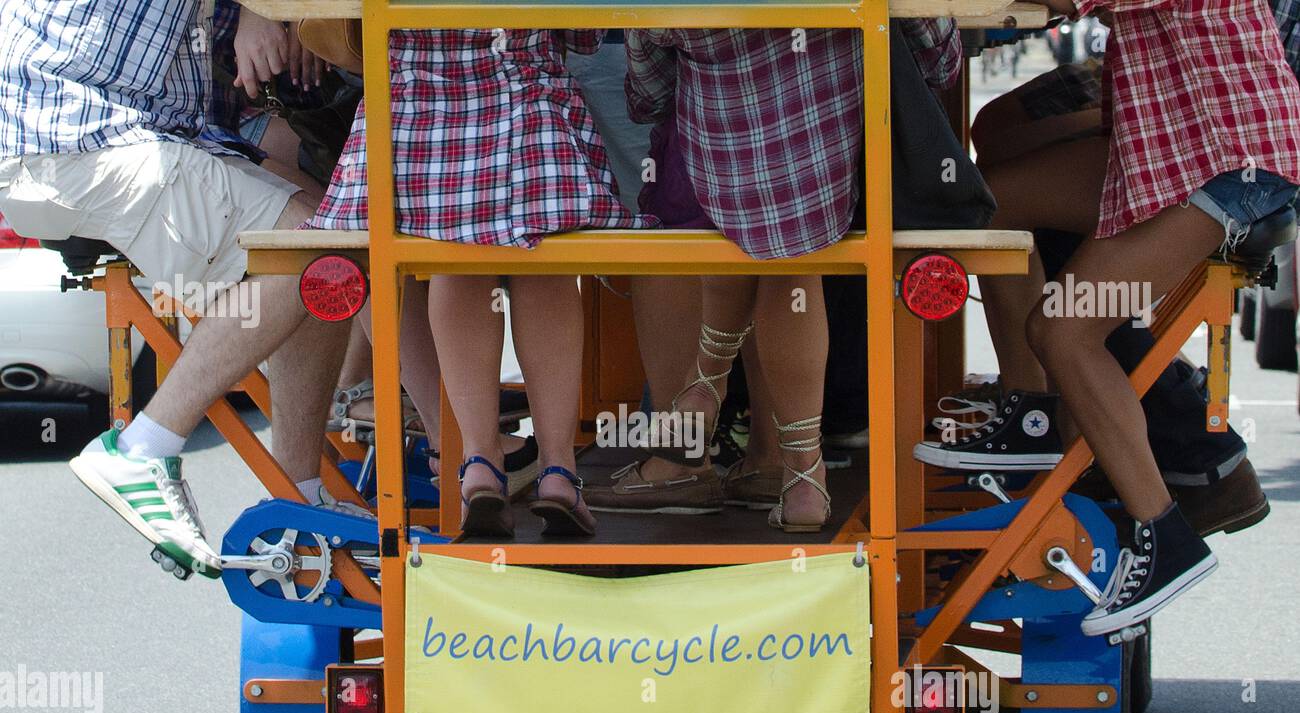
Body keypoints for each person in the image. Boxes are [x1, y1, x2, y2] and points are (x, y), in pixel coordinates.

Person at [915, 0, 1300, 634]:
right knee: (982, 207)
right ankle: (1033, 415)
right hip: (1167, 146)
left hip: (1228, 163)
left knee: (1063, 331)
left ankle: (1166, 538)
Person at [0, 1, 356, 579]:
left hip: (100, 129)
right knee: (319, 251)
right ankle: (143, 449)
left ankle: (298, 496)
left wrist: (277, 22)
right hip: (76, 127)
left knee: (333, 253)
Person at [585, 20, 963, 532]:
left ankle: (701, 395)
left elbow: (649, 86)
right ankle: (799, 474)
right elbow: (936, 53)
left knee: (711, 226)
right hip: (824, 151)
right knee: (792, 263)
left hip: (715, 149)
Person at [304, 29, 649, 538]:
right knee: (545, 263)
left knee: (454, 258)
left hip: (415, 111)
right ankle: (557, 470)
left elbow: (339, 32)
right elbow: (584, 35)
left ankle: (479, 462)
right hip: (524, 104)